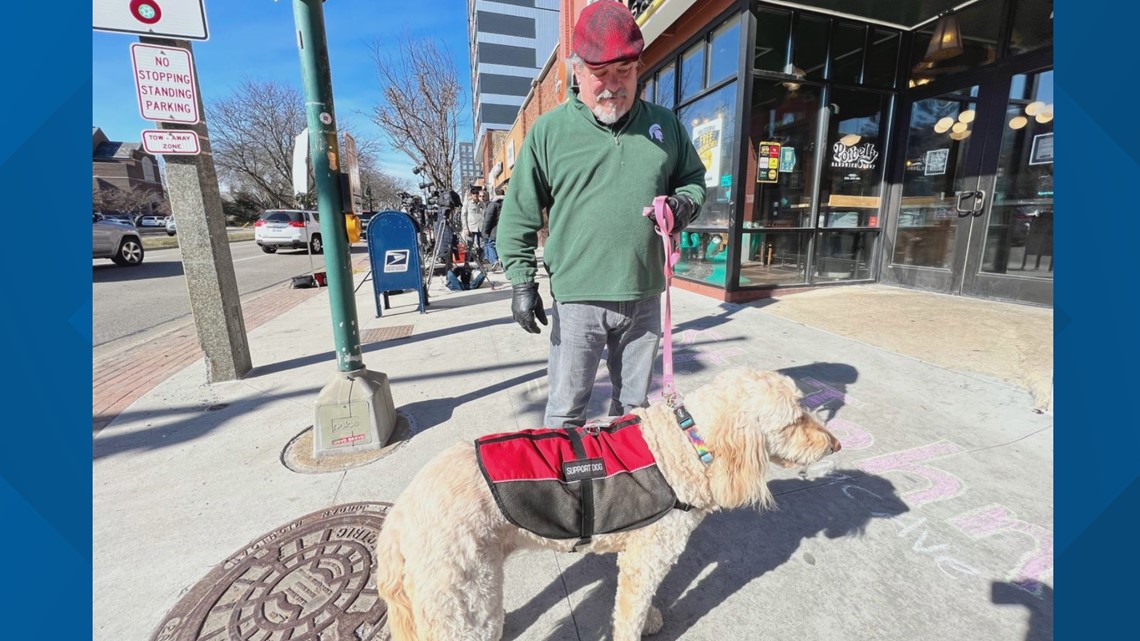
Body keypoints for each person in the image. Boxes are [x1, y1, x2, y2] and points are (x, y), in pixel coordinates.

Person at [496, 0, 707, 429]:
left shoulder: (664, 126)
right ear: (577, 71)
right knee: (566, 410)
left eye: (624, 72)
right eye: (600, 74)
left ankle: (625, 491)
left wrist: (684, 204)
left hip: (644, 296)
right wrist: (522, 283)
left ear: (638, 68)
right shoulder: (549, 132)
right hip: (578, 300)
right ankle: (563, 491)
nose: (613, 85)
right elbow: (518, 214)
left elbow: (693, 180)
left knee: (634, 413)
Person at [481, 186, 505, 271]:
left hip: (495, 229)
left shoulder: (493, 204)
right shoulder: (508, 203)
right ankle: (503, 261)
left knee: (491, 245)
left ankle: (494, 260)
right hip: (507, 229)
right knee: (503, 246)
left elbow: (488, 218)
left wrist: (484, 231)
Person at [461, 186, 486, 260]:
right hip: (471, 227)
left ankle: (481, 261)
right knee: (469, 245)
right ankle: (466, 262)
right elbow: (463, 215)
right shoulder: (467, 203)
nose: (475, 195)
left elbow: (484, 213)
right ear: (471, 195)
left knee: (481, 245)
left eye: (477, 193)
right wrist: (465, 228)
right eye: (473, 193)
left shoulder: (481, 203)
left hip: (480, 227)